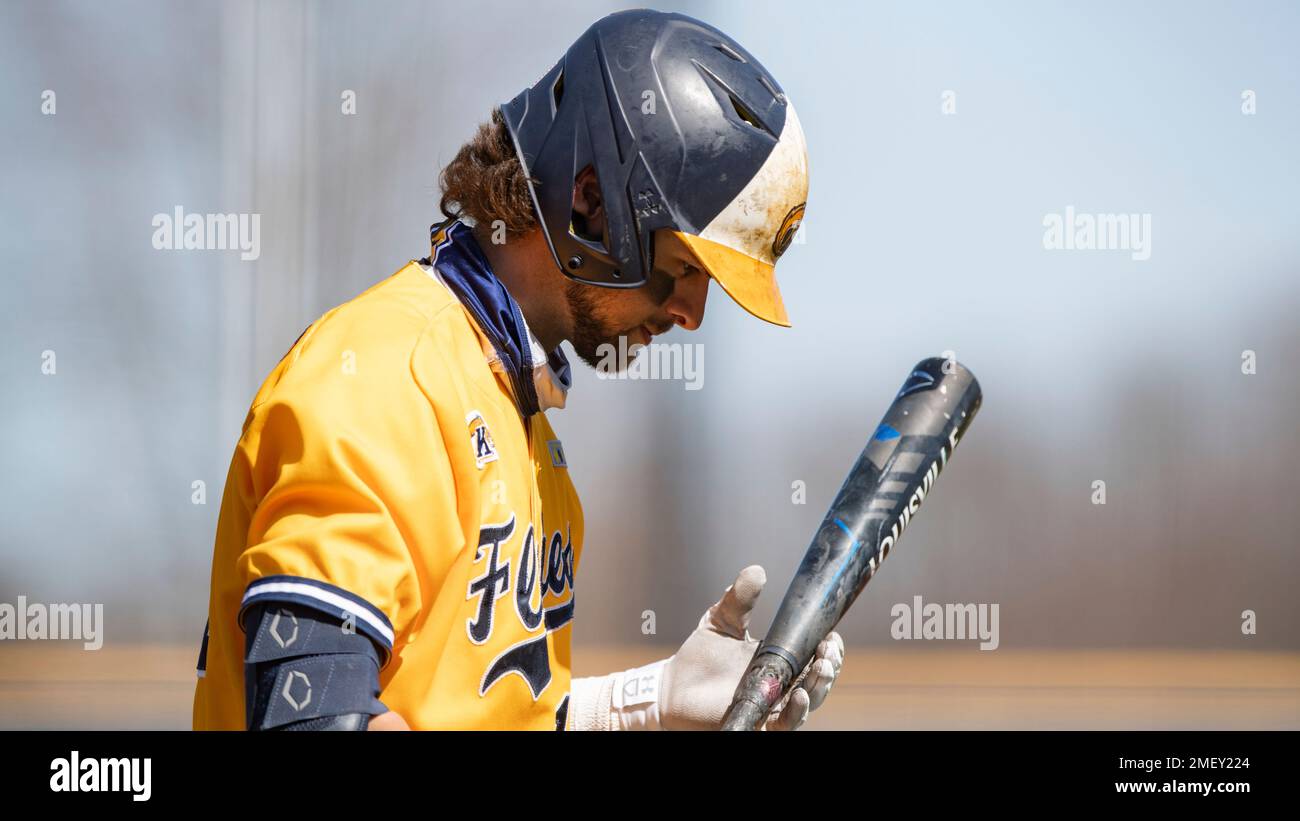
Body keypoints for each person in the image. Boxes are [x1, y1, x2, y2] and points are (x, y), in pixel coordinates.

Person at [193, 9, 843, 731]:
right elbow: (309, 719)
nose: (691, 313)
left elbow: (487, 710)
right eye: (682, 270)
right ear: (590, 201)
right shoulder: (380, 378)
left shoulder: (520, 420)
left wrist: (648, 704)